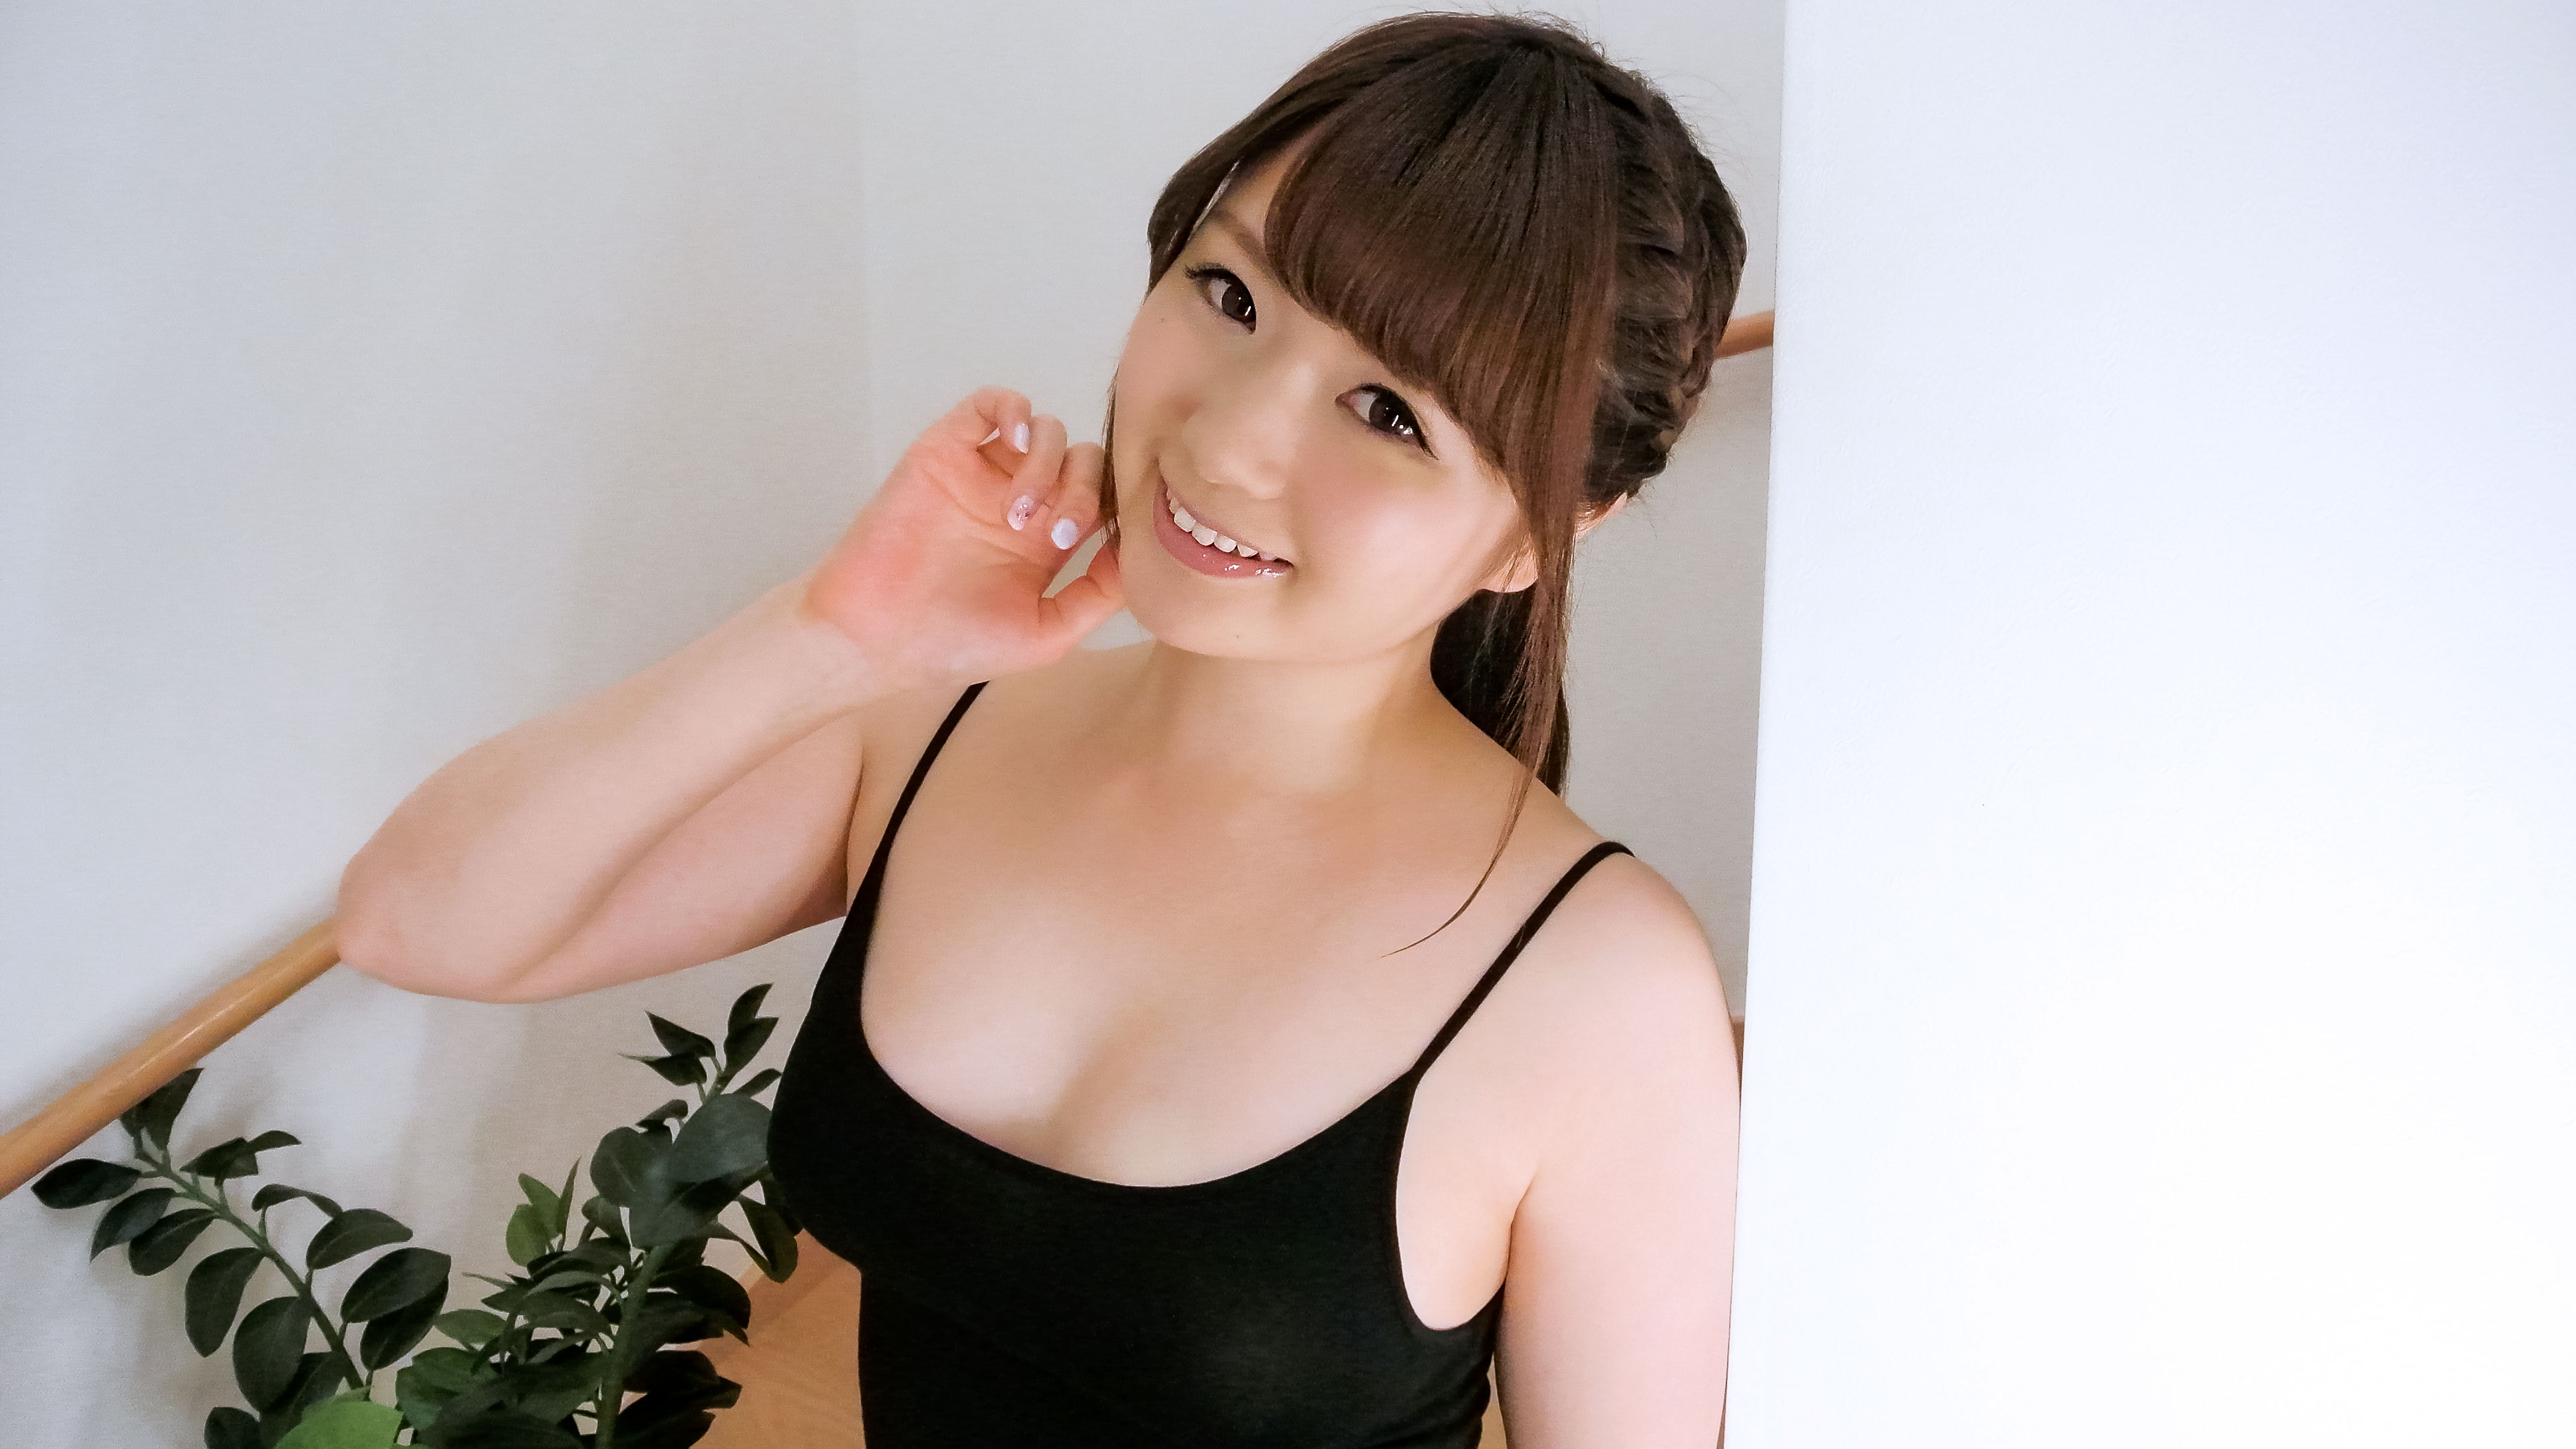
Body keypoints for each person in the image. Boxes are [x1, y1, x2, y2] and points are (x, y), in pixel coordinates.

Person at [337, 11, 1747, 1446]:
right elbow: (419, 923)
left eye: (1389, 412)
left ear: (1544, 530)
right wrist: (833, 636)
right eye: (1232, 294)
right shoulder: (930, 733)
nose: (1227, 439)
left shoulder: (1602, 994)